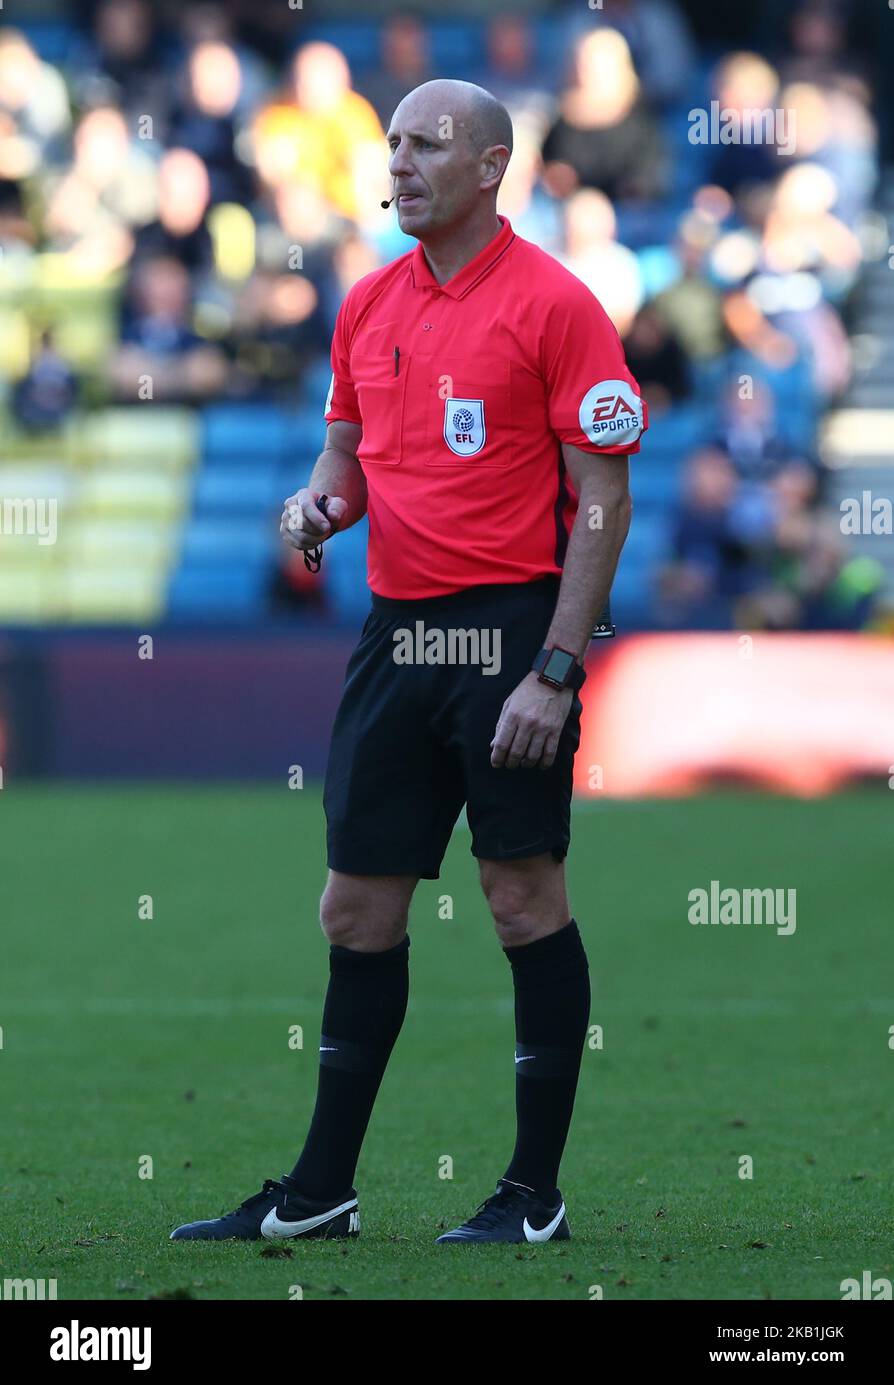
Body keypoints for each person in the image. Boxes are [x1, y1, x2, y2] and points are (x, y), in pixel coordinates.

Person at [171, 78, 647, 1247]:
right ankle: (321, 1189)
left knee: (521, 894)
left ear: (491, 167)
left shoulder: (557, 306)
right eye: (392, 142)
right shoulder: (366, 305)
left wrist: (557, 667)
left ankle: (534, 1196)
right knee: (354, 908)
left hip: (506, 636)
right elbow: (350, 467)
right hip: (397, 635)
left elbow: (603, 498)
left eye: (428, 142)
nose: (399, 161)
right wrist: (313, 509)